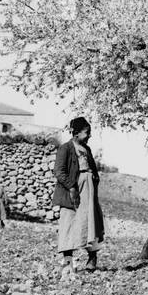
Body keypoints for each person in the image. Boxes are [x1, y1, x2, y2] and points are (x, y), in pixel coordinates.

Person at [53, 116, 104, 276]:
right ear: (76, 133)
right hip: (72, 191)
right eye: (87, 132)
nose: (89, 135)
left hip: (88, 191)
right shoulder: (66, 148)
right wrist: (72, 187)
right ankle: (68, 261)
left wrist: (93, 179)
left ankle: (92, 258)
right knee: (69, 222)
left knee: (89, 222)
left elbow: (93, 170)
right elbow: (59, 172)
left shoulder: (86, 149)